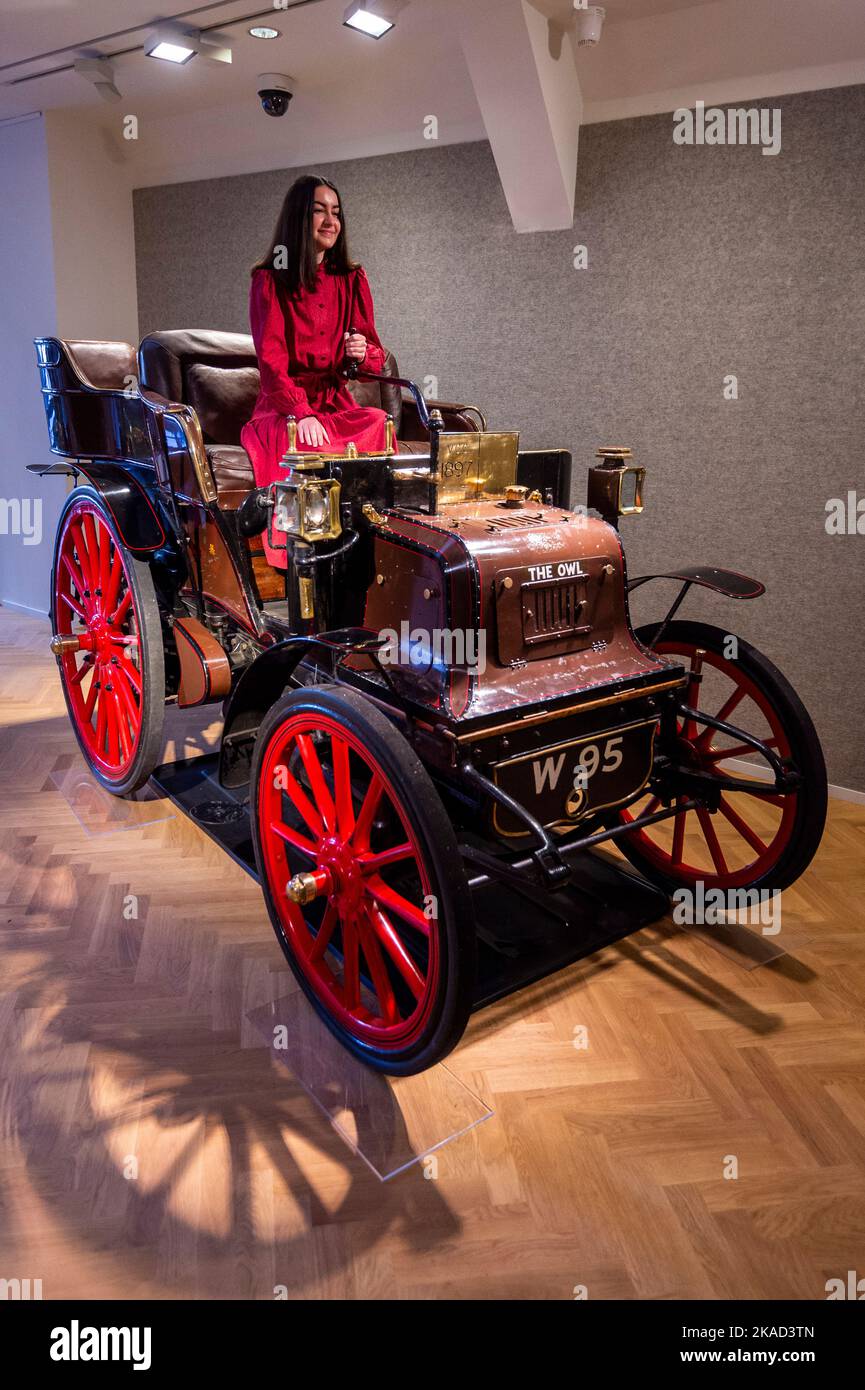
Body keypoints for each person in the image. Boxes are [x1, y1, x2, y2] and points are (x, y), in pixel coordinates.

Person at [241, 174, 391, 565]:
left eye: (336, 213)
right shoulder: (269, 279)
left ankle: (366, 539)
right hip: (283, 409)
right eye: (320, 211)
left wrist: (360, 352)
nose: (331, 222)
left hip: (333, 403)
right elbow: (271, 365)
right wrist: (301, 412)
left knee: (376, 420)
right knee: (309, 445)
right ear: (298, 218)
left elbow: (372, 358)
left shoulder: (352, 277)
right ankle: (309, 556)